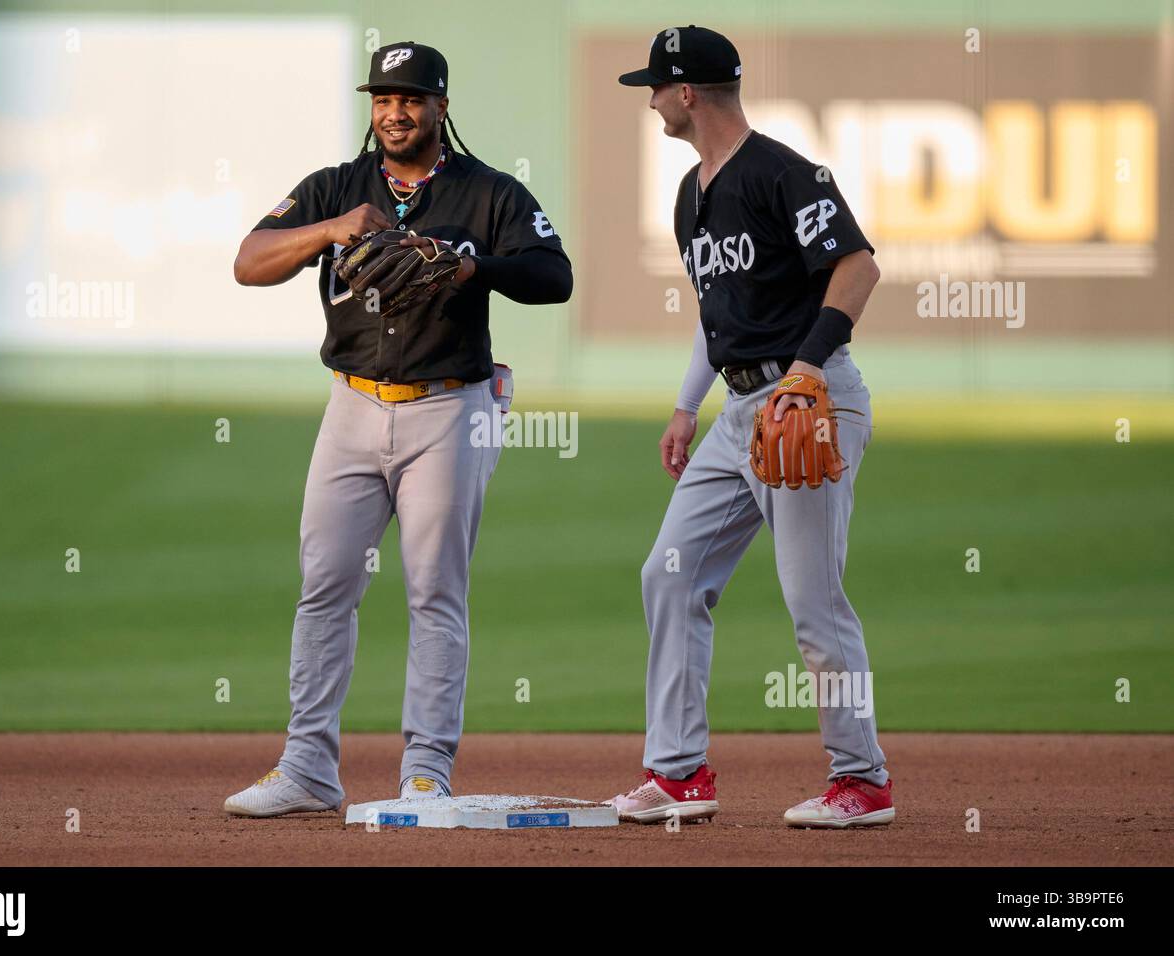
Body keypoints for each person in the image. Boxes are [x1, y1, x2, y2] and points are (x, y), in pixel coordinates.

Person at [224, 41, 572, 817]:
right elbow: (249, 262)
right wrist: (328, 231)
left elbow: (555, 275)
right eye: (382, 98)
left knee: (434, 590)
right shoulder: (337, 188)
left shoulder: (489, 193)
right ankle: (309, 767)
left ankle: (426, 770)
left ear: (442, 107)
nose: (394, 112)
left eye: (410, 98)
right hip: (350, 405)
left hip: (449, 407)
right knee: (324, 586)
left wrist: (470, 266)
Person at [607, 26, 894, 828]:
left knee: (814, 602)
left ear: (688, 93)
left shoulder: (783, 173)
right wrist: (683, 404)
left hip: (809, 401)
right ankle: (678, 775)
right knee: (668, 574)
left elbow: (858, 265)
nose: (652, 101)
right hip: (737, 416)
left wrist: (806, 370)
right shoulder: (690, 195)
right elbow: (716, 314)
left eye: (656, 88)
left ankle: (862, 779)